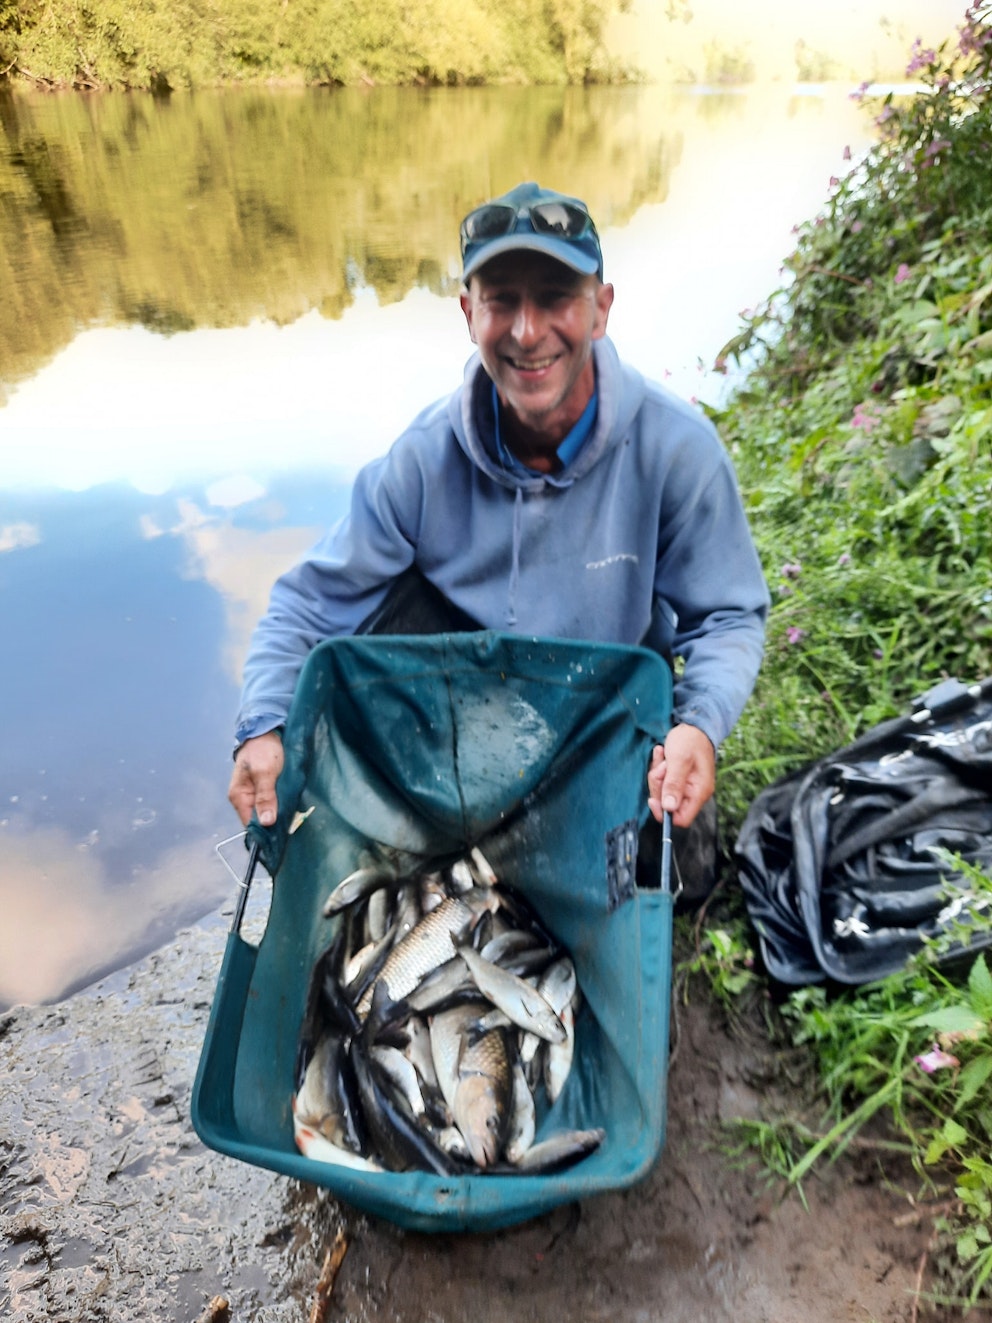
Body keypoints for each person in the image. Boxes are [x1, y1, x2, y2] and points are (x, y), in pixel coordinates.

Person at [228, 181, 769, 870]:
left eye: (554, 298)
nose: (526, 330)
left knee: (678, 869)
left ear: (600, 309)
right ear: (468, 312)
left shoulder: (676, 449)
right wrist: (264, 726)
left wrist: (699, 725)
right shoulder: (421, 462)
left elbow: (728, 617)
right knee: (380, 617)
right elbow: (305, 605)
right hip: (467, 716)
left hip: (606, 714)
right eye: (501, 300)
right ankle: (442, 825)